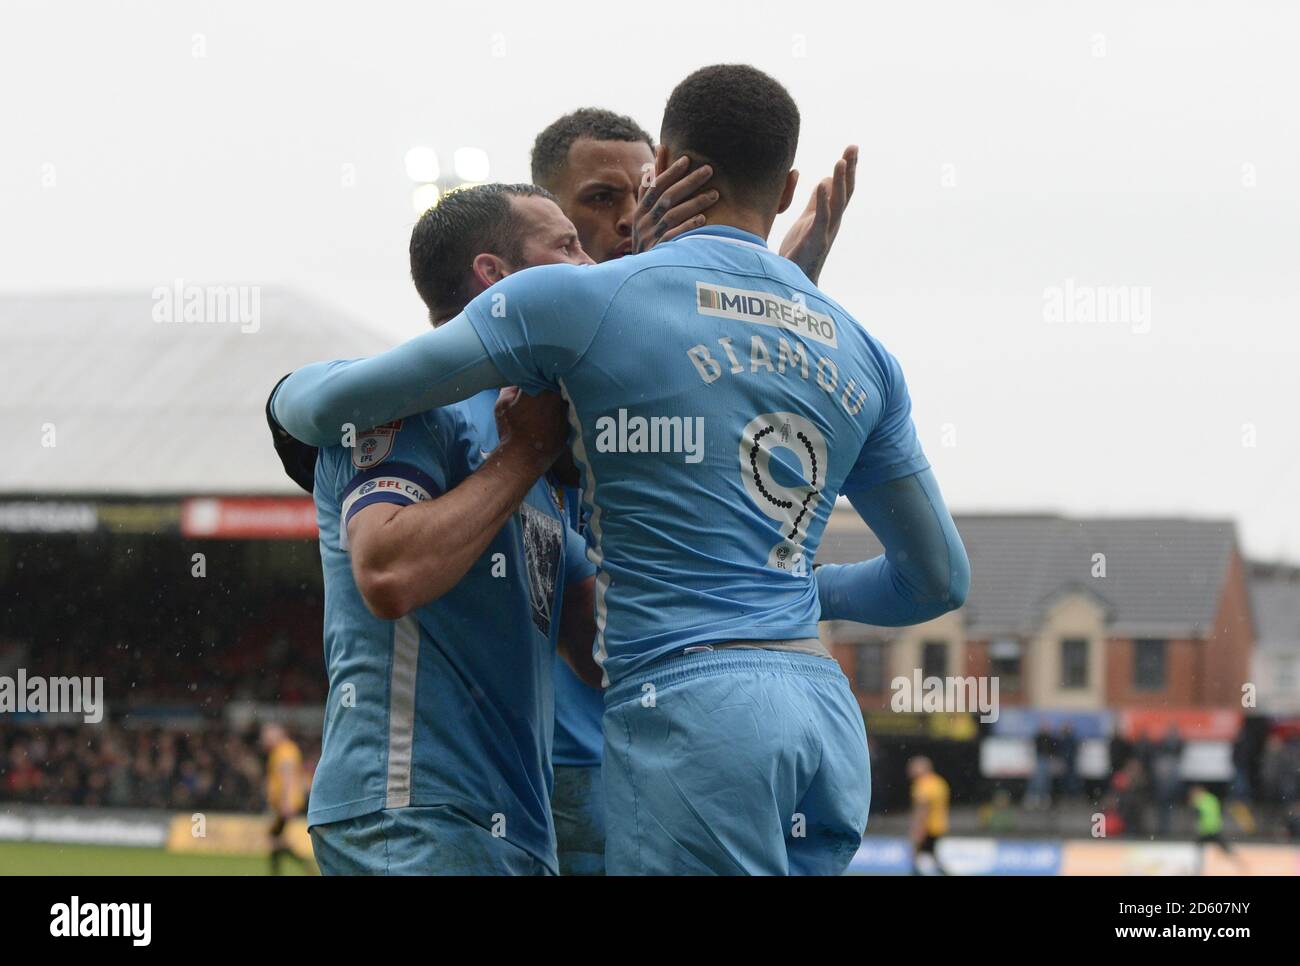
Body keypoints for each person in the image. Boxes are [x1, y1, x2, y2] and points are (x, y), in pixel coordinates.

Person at [270, 63, 970, 875]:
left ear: (671, 164)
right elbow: (936, 577)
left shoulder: (578, 347)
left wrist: (286, 401)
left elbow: (683, 386)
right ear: (784, 188)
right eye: (588, 217)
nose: (628, 227)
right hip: (795, 716)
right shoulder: (854, 350)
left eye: (641, 195)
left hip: (670, 726)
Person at [528, 106, 857, 875]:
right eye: (601, 200)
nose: (629, 219)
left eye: (649, 192)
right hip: (567, 762)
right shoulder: (528, 350)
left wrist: (779, 289)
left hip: (685, 737)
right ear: (547, 214)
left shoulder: (669, 356)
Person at [290, 183, 605, 875]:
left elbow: (598, 656)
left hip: (519, 828)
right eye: (566, 245)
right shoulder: (405, 405)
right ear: (495, 276)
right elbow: (386, 572)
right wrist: (521, 456)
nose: (591, 264)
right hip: (411, 811)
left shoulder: (539, 445)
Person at [260, 722, 309, 875]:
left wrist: (286, 802)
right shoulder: (280, 751)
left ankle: (303, 864)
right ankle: (281, 870)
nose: (264, 739)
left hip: (286, 803)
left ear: (277, 734)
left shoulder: (285, 751)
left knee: (275, 838)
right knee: (275, 838)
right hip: (282, 803)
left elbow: (287, 777)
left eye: (267, 736)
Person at [1189, 784, 1246, 874]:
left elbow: (1200, 813)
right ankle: (1240, 864)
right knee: (1224, 849)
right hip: (1214, 829)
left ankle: (1197, 870)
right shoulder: (1212, 799)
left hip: (1208, 830)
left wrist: (1194, 804)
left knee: (1200, 849)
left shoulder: (1200, 801)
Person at [908, 756, 950, 874]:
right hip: (939, 826)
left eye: (914, 767)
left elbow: (922, 809)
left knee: (916, 855)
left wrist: (918, 830)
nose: (910, 770)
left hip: (927, 827)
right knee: (931, 855)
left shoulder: (922, 785)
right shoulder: (940, 782)